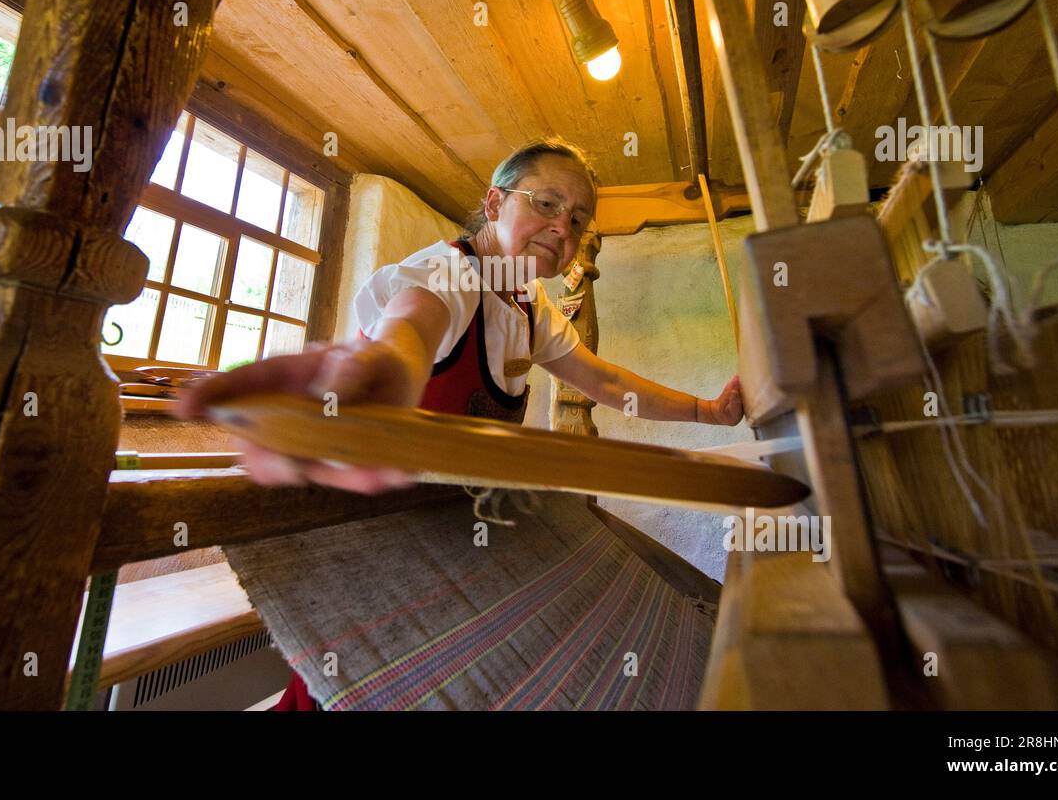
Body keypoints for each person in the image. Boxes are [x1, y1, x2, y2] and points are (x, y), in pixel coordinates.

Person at [178, 137, 744, 709]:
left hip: (452, 528)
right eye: (546, 204)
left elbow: (608, 385)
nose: (563, 230)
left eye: (577, 218)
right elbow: (412, 322)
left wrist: (707, 412)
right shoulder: (445, 274)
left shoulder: (528, 306)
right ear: (494, 204)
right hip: (381, 533)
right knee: (346, 690)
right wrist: (388, 360)